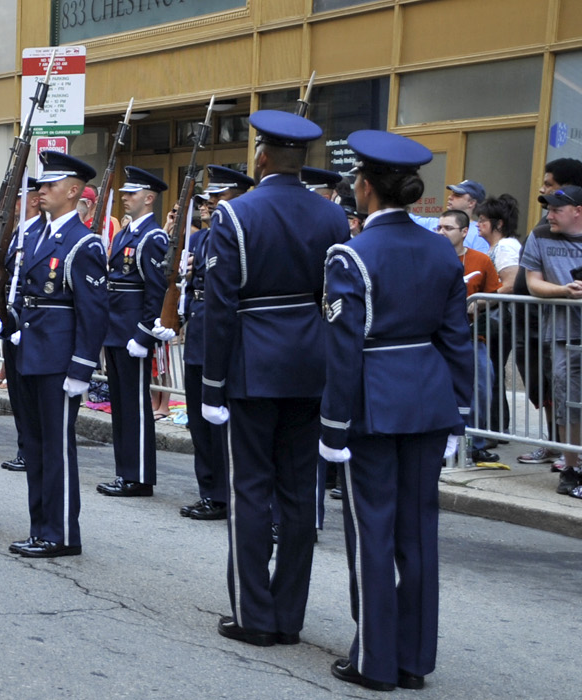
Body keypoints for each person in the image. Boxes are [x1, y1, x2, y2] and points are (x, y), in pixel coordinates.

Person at [320, 129, 473, 692]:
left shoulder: (352, 255)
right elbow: (457, 337)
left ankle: (375, 660)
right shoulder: (441, 249)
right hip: (429, 401)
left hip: (374, 403)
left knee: (373, 533)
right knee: (418, 532)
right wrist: (460, 407)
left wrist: (333, 424)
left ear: (364, 188)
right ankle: (412, 660)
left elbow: (344, 349)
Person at [200, 110, 349, 649]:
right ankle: (289, 615)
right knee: (297, 494)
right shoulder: (332, 217)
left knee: (250, 491)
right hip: (311, 365)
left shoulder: (234, 215)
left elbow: (220, 307)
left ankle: (254, 614)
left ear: (261, 156)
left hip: (253, 366)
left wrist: (212, 384)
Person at [0, 150, 104, 557]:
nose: (41, 191)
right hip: (26, 354)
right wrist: (5, 323)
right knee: (32, 445)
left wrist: (82, 368)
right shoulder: (33, 234)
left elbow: (92, 311)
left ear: (73, 191)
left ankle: (63, 532)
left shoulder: (83, 243)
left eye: (50, 185)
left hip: (58, 361)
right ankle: (40, 526)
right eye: (41, 185)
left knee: (56, 447)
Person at [180, 165, 254, 522]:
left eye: (217, 197)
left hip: (223, 334)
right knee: (198, 419)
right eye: (208, 198)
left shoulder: (240, 234)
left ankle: (225, 494)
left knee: (220, 422)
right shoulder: (201, 237)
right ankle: (208, 490)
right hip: (198, 329)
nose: (208, 204)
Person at [95, 166, 168, 498]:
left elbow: (157, 292)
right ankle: (125, 471)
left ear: (149, 198)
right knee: (122, 406)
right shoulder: (125, 234)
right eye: (124, 193)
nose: (125, 198)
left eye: (132, 193)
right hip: (116, 331)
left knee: (136, 407)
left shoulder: (153, 238)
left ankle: (139, 475)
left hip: (133, 335)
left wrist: (144, 335)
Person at [522, 184, 582, 498]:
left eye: (556, 209)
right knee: (566, 402)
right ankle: (569, 468)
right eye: (548, 209)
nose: (549, 215)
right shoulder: (540, 236)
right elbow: (533, 283)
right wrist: (564, 291)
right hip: (560, 333)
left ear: (578, 211)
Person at [437, 208, 502, 464]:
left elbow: (496, 293)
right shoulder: (431, 256)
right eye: (439, 227)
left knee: (482, 388)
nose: (441, 232)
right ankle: (442, 445)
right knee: (442, 392)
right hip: (437, 339)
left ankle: (475, 444)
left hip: (473, 338)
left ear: (464, 232)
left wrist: (480, 303)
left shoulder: (480, 260)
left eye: (448, 228)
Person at [0, 177, 46, 474]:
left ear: (32, 200)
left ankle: (33, 449)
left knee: (29, 392)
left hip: (30, 323)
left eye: (17, 198)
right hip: (11, 319)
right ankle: (24, 446)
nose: (12, 204)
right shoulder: (16, 232)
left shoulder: (40, 231)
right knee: (16, 390)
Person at [476, 194, 520, 439]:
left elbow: (511, 283)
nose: (478, 224)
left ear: (499, 223)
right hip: (494, 318)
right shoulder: (496, 247)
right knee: (490, 371)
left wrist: (480, 301)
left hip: (500, 320)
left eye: (483, 220)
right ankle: (494, 425)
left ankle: (495, 426)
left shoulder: (506, 246)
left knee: (492, 371)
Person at [409, 179, 490, 254]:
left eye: (457, 195)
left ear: (471, 203)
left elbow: (479, 265)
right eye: (439, 228)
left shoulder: (478, 232)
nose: (450, 197)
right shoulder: (433, 223)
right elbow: (402, 216)